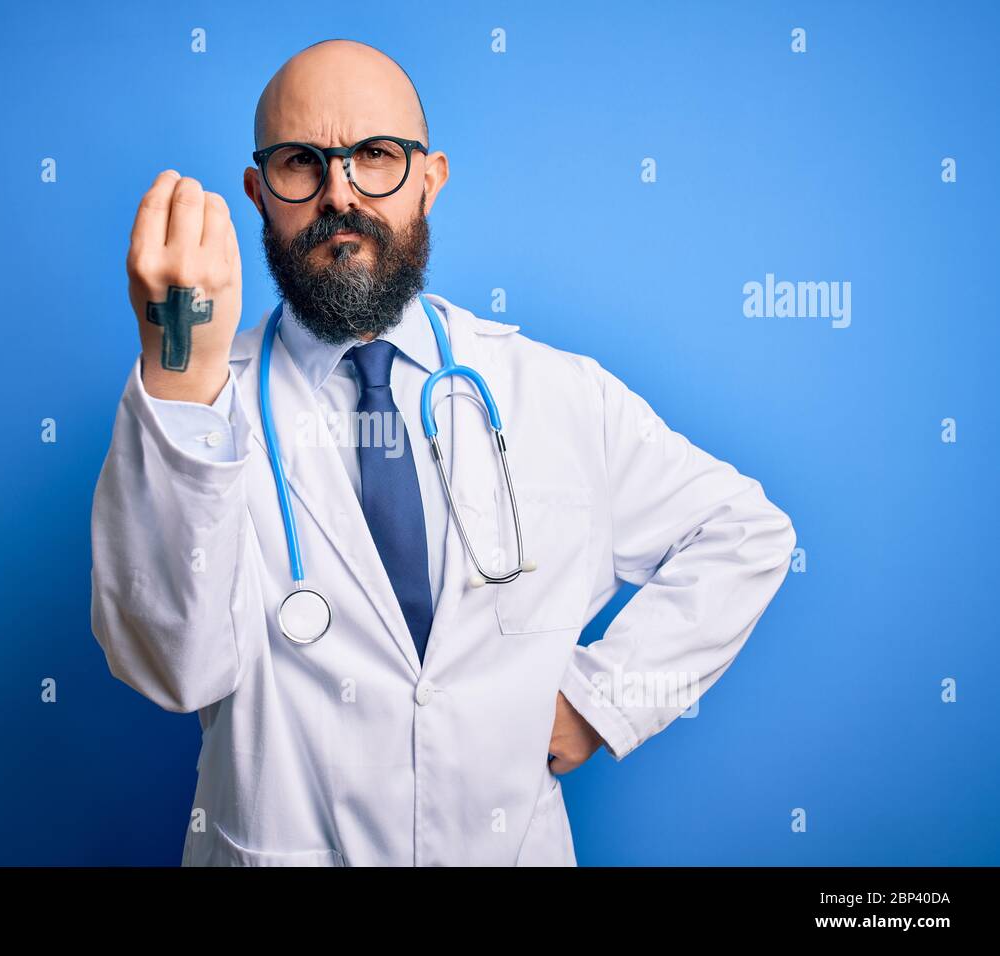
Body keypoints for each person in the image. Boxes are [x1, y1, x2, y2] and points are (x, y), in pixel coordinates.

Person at [89, 38, 796, 866]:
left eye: (376, 157)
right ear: (257, 192)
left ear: (432, 177)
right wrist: (181, 369)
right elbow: (175, 673)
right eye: (299, 164)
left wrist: (605, 700)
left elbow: (747, 533)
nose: (339, 196)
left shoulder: (558, 394)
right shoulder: (197, 403)